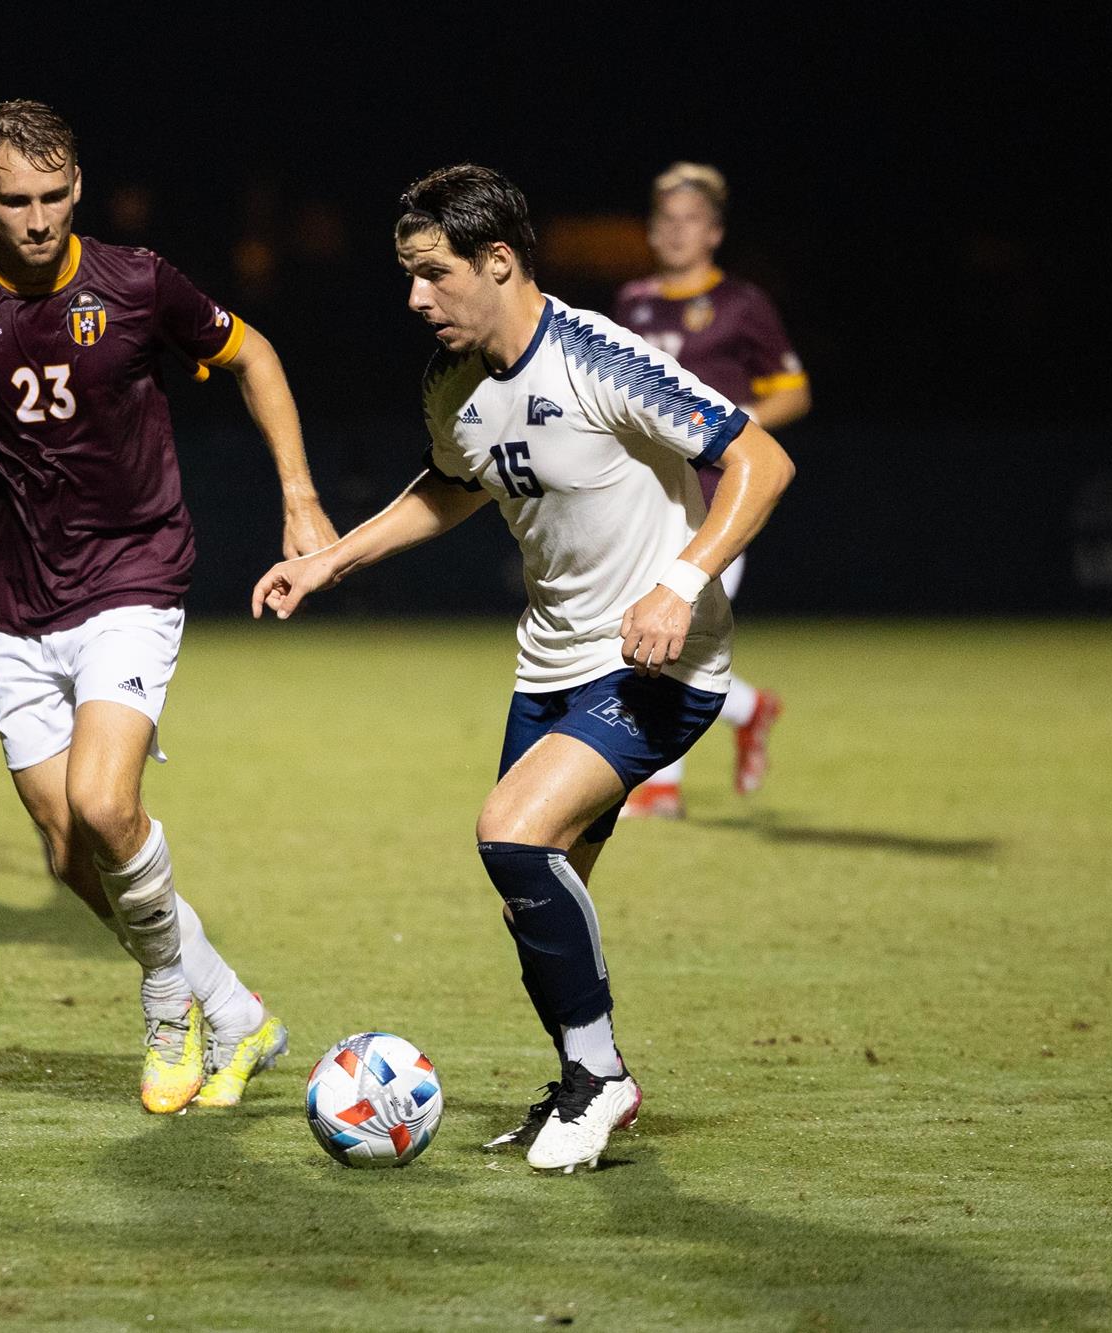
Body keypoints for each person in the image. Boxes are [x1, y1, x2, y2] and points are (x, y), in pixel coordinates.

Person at [250, 165, 794, 1171]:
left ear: (497, 262)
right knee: (537, 894)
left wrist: (678, 582)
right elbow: (454, 481)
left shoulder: (594, 355)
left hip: (657, 663)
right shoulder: (449, 379)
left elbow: (760, 458)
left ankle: (601, 1082)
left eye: (431, 273)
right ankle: (579, 1082)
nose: (413, 297)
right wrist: (330, 558)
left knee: (508, 832)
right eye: (406, 274)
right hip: (547, 660)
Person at [0, 100, 338, 1114]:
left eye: (54, 197)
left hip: (131, 578)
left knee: (105, 806)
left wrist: (302, 497)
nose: (36, 219)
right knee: (66, 853)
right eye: (14, 201)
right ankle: (236, 1013)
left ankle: (162, 1004)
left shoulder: (135, 283)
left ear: (77, 187)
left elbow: (254, 357)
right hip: (15, 607)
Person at [610, 162, 810, 817]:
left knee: (680, 637)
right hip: (647, 498)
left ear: (715, 232)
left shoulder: (741, 304)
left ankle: (661, 787)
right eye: (664, 220)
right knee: (647, 636)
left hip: (724, 496)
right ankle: (751, 710)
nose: (674, 231)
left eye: (689, 220)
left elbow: (793, 393)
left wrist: (729, 429)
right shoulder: (633, 301)